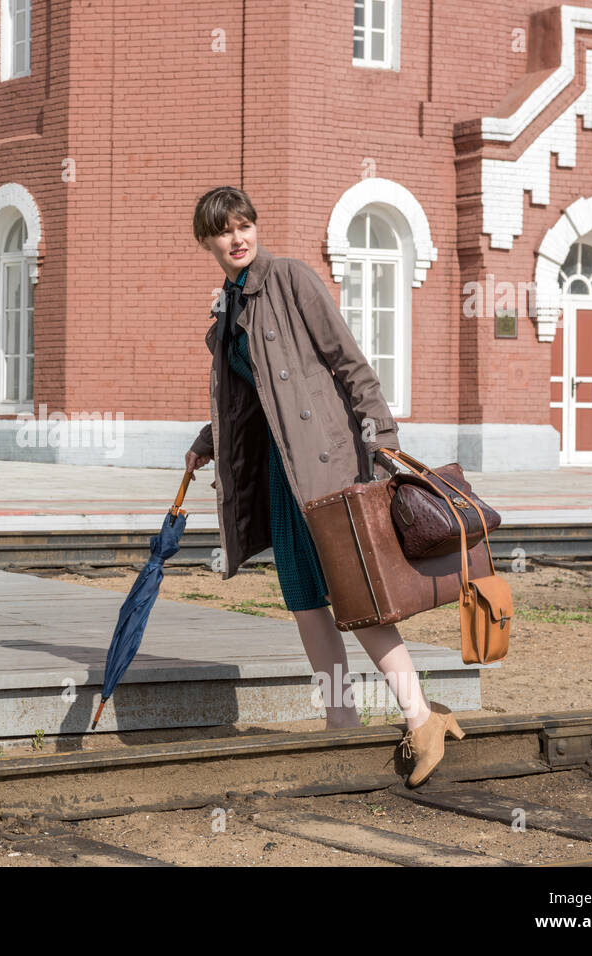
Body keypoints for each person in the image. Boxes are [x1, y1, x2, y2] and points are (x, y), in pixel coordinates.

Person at [184, 185, 464, 787]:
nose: (237, 238)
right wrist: (210, 440)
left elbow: (349, 360)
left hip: (328, 467)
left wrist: (380, 430)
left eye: (244, 225)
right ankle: (340, 720)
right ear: (206, 241)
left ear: (255, 227)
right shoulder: (229, 311)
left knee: (355, 596)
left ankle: (420, 716)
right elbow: (254, 400)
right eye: (223, 231)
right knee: (307, 603)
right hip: (284, 479)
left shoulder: (290, 279)